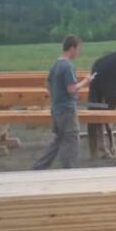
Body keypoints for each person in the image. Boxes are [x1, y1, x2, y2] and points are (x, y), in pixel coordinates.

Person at [32, 35, 96, 170]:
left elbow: (47, 84)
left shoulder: (56, 64)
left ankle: (38, 168)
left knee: (58, 139)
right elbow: (72, 89)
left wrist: (57, 96)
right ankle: (70, 171)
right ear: (72, 48)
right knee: (72, 141)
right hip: (67, 111)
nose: (79, 52)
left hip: (56, 109)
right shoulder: (67, 66)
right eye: (78, 49)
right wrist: (87, 81)